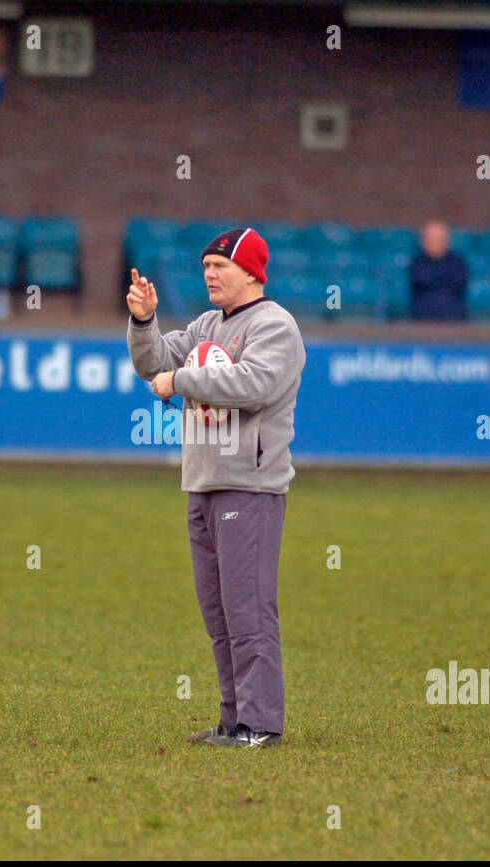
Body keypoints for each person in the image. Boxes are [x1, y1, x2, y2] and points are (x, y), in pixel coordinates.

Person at [126, 228, 305, 749]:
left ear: (251, 271)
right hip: (201, 483)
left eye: (220, 266)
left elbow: (253, 384)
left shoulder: (275, 325)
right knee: (219, 613)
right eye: (205, 266)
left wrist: (179, 382)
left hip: (249, 485)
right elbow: (154, 362)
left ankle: (261, 724)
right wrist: (143, 320)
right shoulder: (207, 324)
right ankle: (233, 720)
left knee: (247, 608)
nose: (209, 274)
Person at [409, 220, 467, 321]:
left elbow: (457, 283)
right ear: (423, 242)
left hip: (453, 315)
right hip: (423, 316)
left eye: (439, 240)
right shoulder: (417, 263)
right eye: (430, 240)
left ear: (446, 241)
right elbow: (421, 280)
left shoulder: (458, 262)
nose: (435, 244)